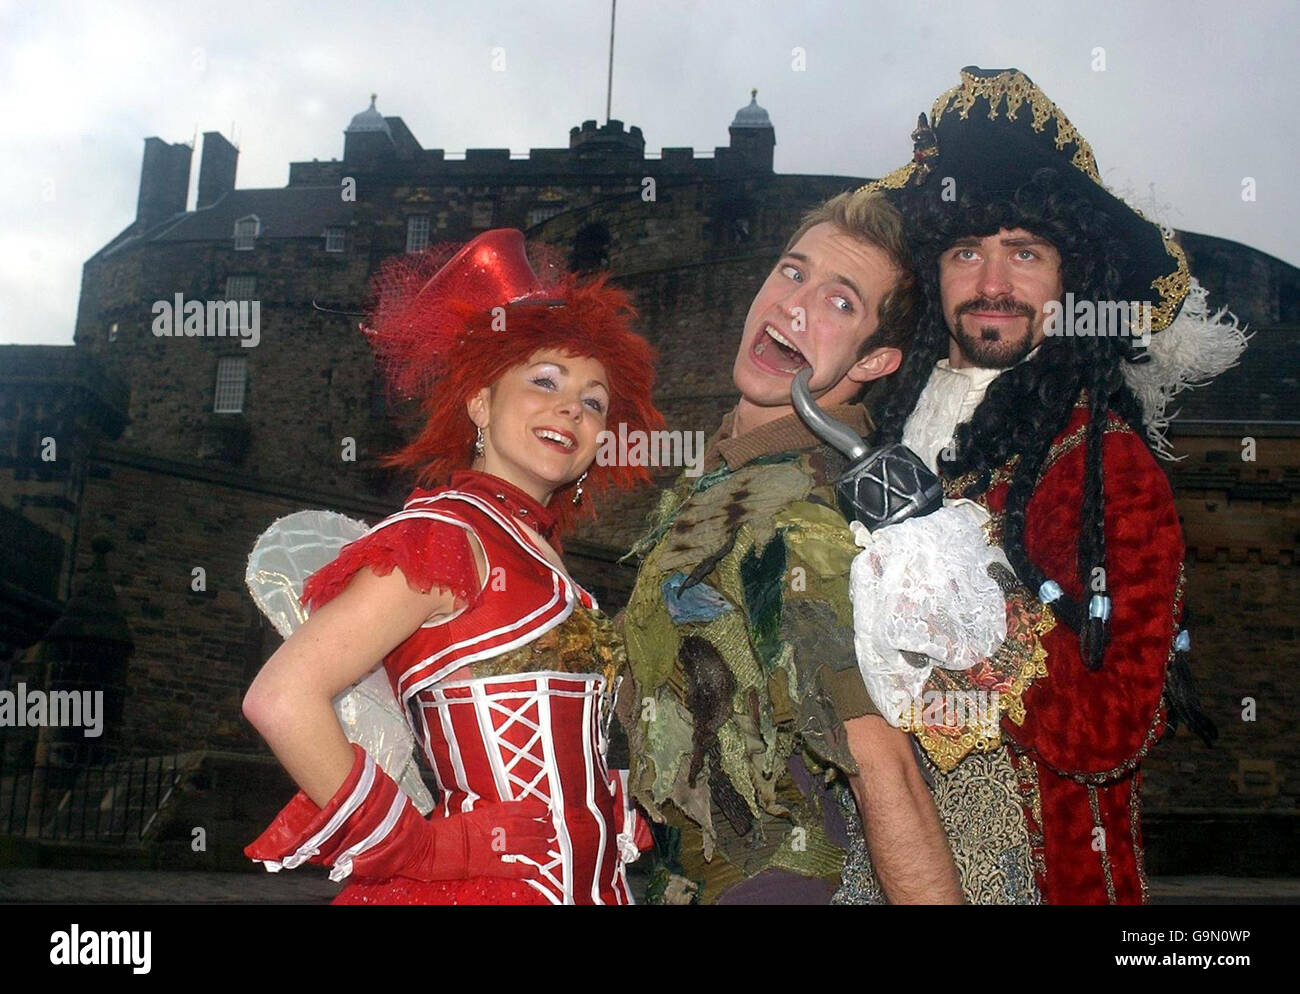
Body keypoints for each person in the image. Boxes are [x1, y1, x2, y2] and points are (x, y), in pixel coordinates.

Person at [848, 66, 1245, 903]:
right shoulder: (874, 439)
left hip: (1039, 875)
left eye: (1025, 253)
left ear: (1071, 284)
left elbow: (1110, 727)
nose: (993, 284)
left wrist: (949, 605)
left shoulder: (1103, 469)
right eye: (967, 252)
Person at [241, 229, 664, 905]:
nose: (570, 409)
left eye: (593, 402)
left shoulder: (541, 557)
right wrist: (422, 848)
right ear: (479, 403)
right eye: (545, 381)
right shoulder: (443, 536)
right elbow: (280, 699)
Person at [620, 189, 967, 904]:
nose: (795, 306)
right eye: (790, 272)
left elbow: (884, 765)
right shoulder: (724, 477)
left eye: (841, 303)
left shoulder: (806, 511)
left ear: (873, 363)